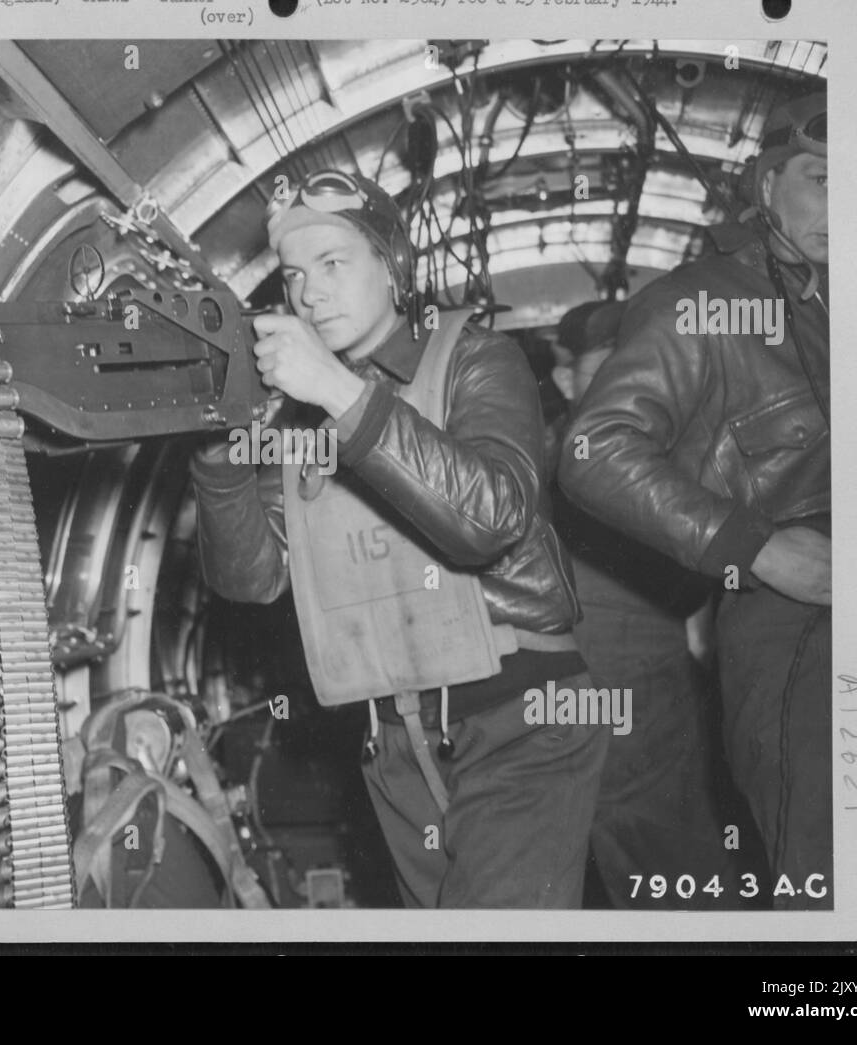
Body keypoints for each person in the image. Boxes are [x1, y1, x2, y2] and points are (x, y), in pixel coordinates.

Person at [189, 169, 607, 908]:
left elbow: (491, 518)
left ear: (391, 266)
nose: (310, 293)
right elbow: (255, 578)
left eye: (332, 263)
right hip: (395, 741)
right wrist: (218, 455)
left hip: (521, 716)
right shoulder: (298, 416)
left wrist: (339, 391)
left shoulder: (475, 357)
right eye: (294, 275)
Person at [559, 92, 831, 908]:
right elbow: (596, 447)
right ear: (768, 186)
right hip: (798, 632)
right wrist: (757, 547)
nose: (851, 204)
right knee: (833, 876)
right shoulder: (705, 301)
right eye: (822, 179)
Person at [550, 300, 743, 909]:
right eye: (603, 365)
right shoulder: (541, 456)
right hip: (578, 689)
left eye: (632, 364)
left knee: (670, 864)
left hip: (643, 693)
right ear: (564, 379)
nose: (621, 379)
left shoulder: (670, 456)